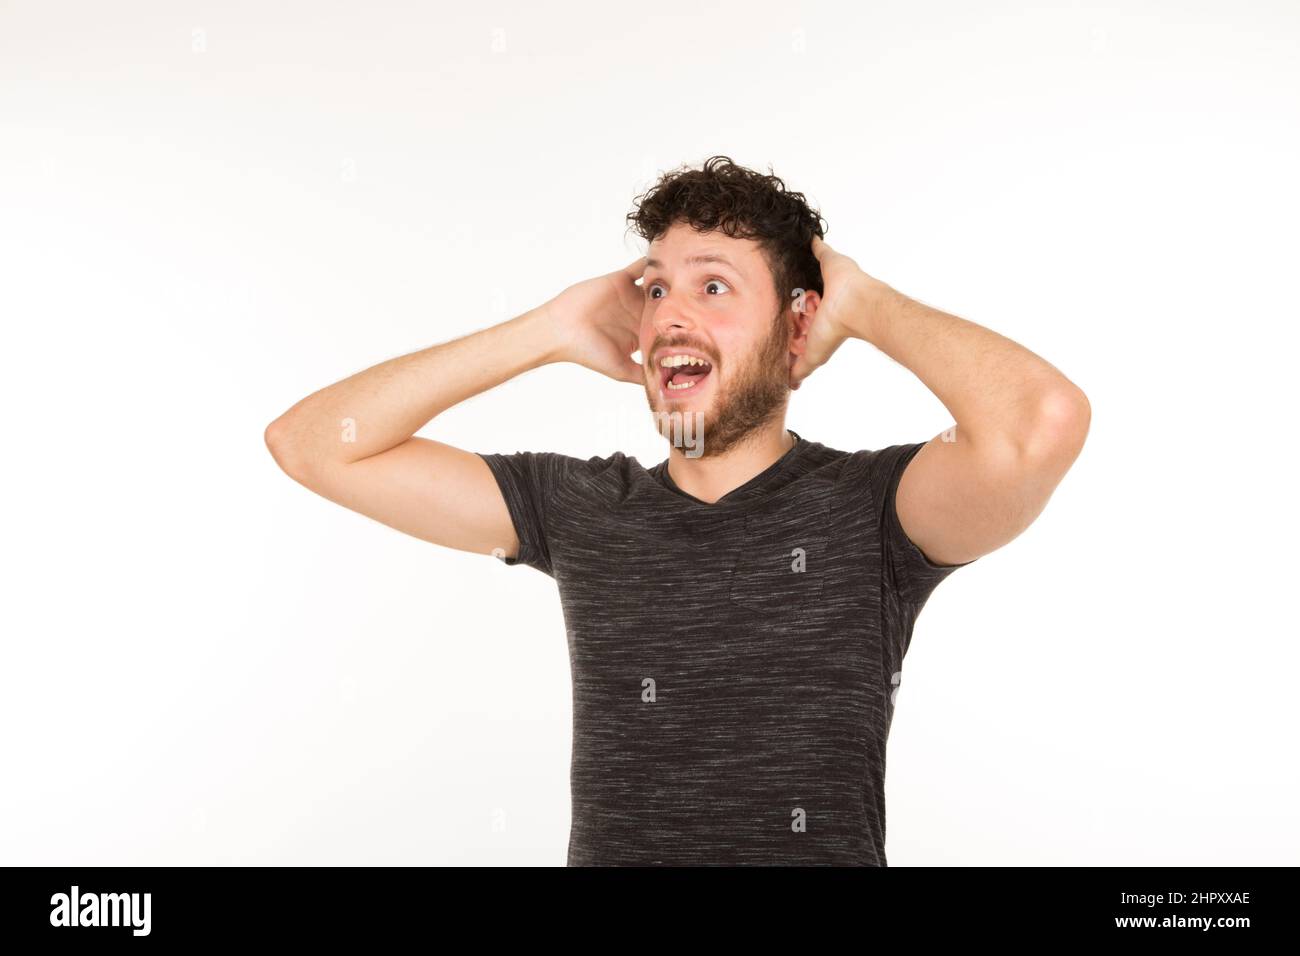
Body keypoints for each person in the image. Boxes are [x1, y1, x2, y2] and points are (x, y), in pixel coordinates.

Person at [264, 155, 1090, 866]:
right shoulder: (580, 507)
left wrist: (864, 304)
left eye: (714, 285)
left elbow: (1040, 423)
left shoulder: (875, 512)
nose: (667, 315)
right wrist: (549, 329)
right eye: (655, 288)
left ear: (797, 328)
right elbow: (313, 444)